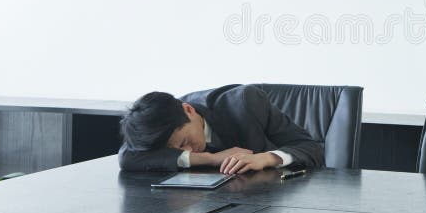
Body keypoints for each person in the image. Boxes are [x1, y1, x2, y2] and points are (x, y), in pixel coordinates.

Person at [118, 84, 324, 173]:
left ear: (188, 110)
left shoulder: (245, 103)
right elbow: (127, 156)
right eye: (179, 150)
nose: (188, 151)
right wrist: (210, 158)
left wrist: (266, 158)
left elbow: (311, 148)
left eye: (184, 142)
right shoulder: (160, 126)